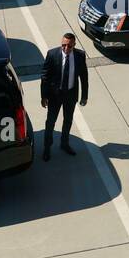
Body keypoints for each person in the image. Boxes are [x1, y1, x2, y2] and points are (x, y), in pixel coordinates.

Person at [40, 32, 88, 161]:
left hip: (70, 94)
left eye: (69, 46)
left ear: (74, 45)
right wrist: (44, 96)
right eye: (63, 45)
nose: (66, 49)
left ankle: (64, 144)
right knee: (50, 122)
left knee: (68, 121)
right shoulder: (52, 54)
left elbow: (84, 76)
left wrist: (84, 96)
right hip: (55, 96)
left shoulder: (80, 55)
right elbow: (45, 77)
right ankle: (47, 147)